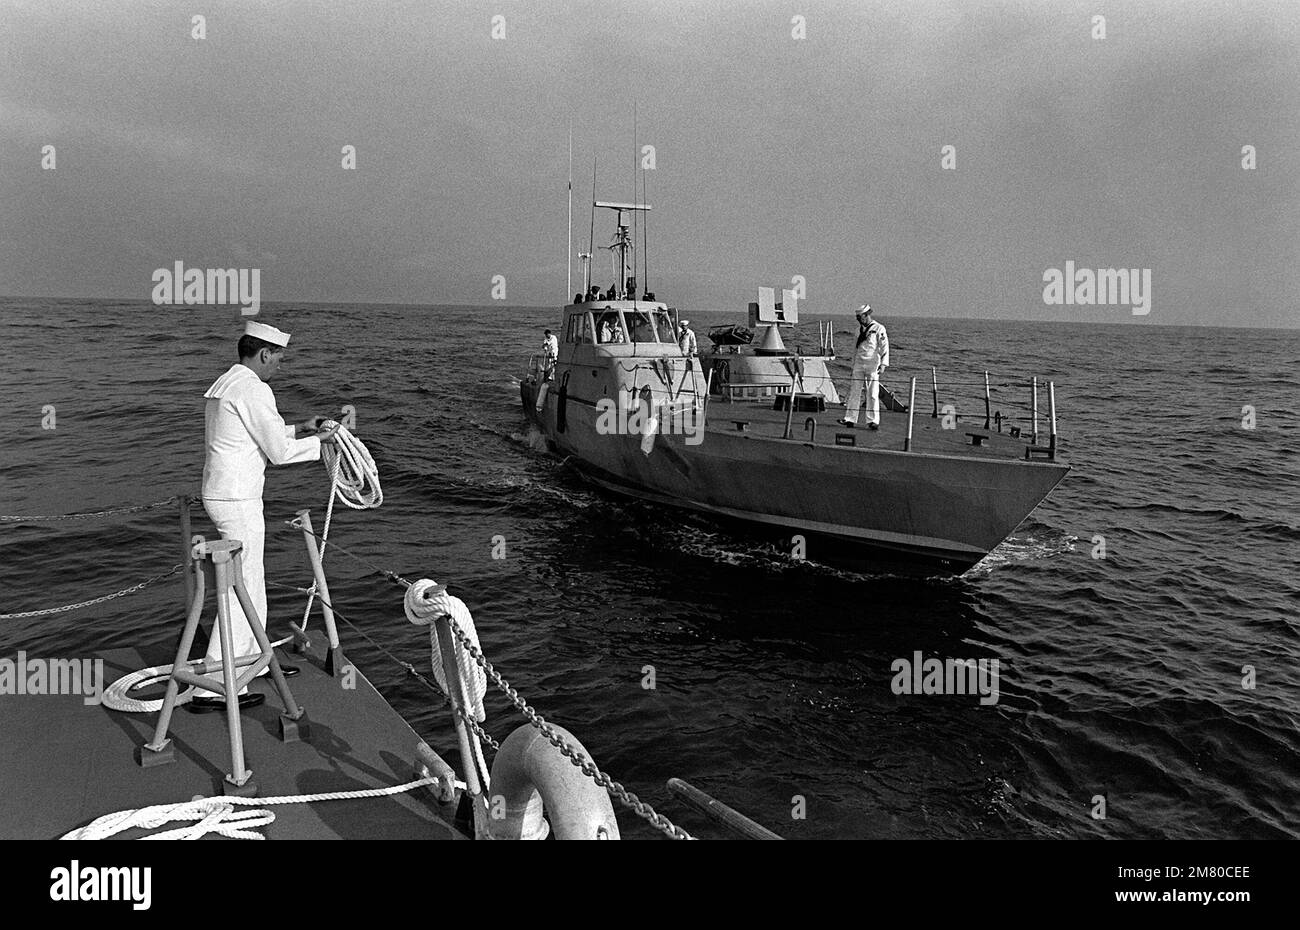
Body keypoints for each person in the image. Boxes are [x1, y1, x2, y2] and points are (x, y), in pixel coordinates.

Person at [191, 320, 337, 712]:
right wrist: (319, 443)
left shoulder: (228, 383)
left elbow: (255, 435)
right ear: (265, 353)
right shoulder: (255, 389)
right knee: (237, 590)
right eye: (279, 359)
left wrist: (298, 427)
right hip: (237, 501)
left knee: (250, 581)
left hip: (225, 495)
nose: (280, 367)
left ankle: (253, 660)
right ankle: (213, 686)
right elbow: (278, 453)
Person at [840, 304, 889, 430]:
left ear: (866, 315)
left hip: (872, 364)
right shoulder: (858, 331)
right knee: (854, 391)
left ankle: (873, 420)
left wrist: (883, 363)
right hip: (859, 364)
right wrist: (853, 364)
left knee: (872, 393)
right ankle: (850, 418)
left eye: (860, 317)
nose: (858, 319)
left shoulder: (879, 328)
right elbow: (855, 349)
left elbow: (884, 347)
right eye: (857, 317)